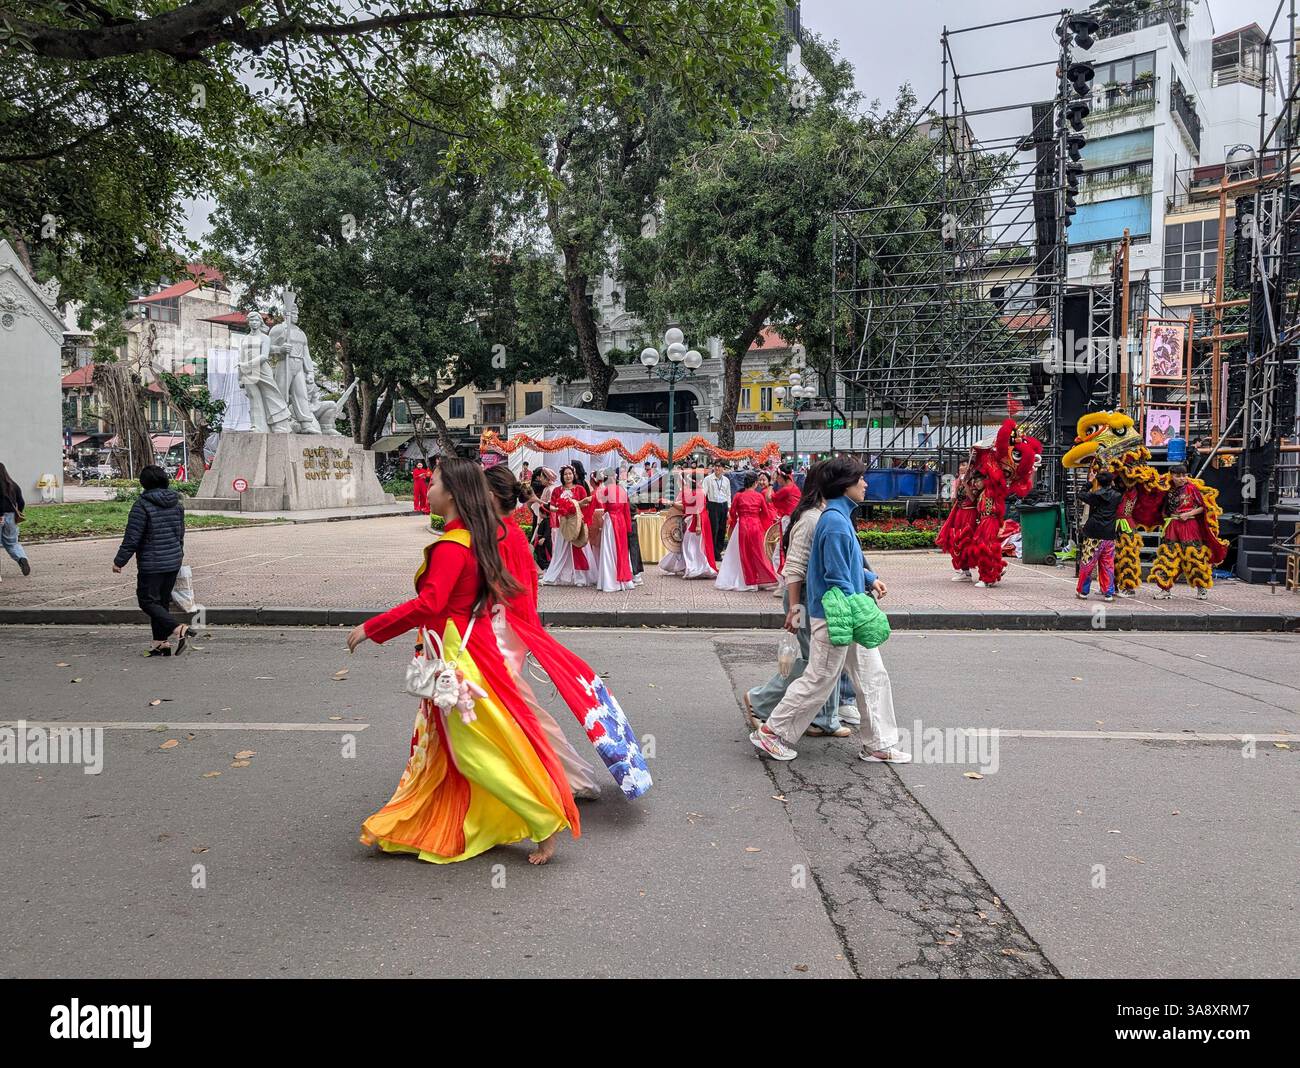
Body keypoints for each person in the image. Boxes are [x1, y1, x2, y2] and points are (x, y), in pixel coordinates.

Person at [347, 458, 581, 865]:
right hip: (463, 649)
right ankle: (429, 818)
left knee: (469, 751)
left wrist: (372, 628)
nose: (428, 488)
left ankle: (542, 821)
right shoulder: (474, 537)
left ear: (452, 493)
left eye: (434, 482)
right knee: (458, 744)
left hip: (454, 657)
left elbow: (430, 602)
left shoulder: (455, 545)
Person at [483, 466, 652, 799]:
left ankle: (567, 779)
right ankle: (559, 777)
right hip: (506, 628)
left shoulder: (503, 535)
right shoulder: (502, 532)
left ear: (490, 497)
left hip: (504, 631)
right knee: (513, 708)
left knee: (516, 709)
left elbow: (518, 589)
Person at [749, 456, 909, 764]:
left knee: (871, 675)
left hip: (841, 612)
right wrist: (859, 608)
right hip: (837, 615)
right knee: (820, 678)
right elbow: (834, 576)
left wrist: (870, 578)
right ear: (844, 485)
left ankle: (879, 743)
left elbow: (845, 566)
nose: (865, 483)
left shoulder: (836, 516)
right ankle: (772, 734)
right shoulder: (833, 521)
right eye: (860, 479)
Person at [745, 462, 863, 738]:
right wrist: (795, 610)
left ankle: (824, 717)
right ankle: (761, 699)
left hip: (816, 598)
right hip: (806, 598)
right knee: (818, 663)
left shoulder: (826, 515)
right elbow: (794, 569)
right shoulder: (811, 519)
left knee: (823, 662)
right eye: (857, 479)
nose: (864, 484)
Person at [111, 465, 189, 657]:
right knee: (160, 603)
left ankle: (178, 629)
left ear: (144, 483)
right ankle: (160, 644)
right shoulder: (176, 503)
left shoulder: (142, 504)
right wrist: (179, 553)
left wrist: (120, 561)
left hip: (152, 563)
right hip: (173, 560)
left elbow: (132, 537)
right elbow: (180, 533)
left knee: (147, 601)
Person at [1149, 464, 1224, 600]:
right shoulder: (1168, 488)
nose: (1182, 478)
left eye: (1184, 475)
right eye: (1178, 476)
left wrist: (1189, 513)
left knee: (1194, 556)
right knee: (1168, 557)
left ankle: (1202, 589)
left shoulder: (1191, 488)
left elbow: (1203, 507)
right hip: (1172, 525)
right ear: (1171, 475)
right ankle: (1165, 589)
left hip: (1189, 525)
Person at [716, 472, 779, 591]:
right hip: (755, 526)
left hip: (742, 526)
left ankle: (747, 580)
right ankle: (762, 578)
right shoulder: (759, 496)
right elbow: (765, 513)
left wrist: (735, 522)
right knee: (758, 553)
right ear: (755, 483)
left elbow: (733, 512)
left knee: (743, 554)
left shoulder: (738, 496)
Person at [660, 469, 717, 579]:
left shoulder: (698, 492)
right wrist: (672, 503)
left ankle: (695, 568)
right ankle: (692, 566)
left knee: (691, 544)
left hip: (697, 520)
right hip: (695, 519)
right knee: (693, 545)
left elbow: (698, 510)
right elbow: (686, 507)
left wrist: (698, 525)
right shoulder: (693, 491)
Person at [540, 465, 590, 586]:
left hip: (576, 523)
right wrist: (559, 509)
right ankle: (558, 575)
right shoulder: (557, 490)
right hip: (563, 523)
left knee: (577, 548)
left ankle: (580, 578)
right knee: (560, 549)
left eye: (570, 474)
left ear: (574, 475)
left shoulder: (580, 489)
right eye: (565, 474)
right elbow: (551, 506)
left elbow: (585, 504)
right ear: (562, 476)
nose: (568, 476)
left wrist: (573, 505)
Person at [1076, 470, 1121, 601]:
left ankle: (1083, 591)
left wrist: (1089, 482)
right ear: (1111, 482)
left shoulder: (1095, 495)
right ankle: (1108, 592)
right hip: (1109, 534)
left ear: (1098, 482)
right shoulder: (1117, 496)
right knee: (1108, 564)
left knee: (1088, 563)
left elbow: (1081, 494)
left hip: (1093, 534)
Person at [590, 469, 636, 592]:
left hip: (610, 522)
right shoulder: (622, 491)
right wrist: (628, 527)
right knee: (620, 551)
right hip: (620, 522)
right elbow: (627, 511)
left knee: (609, 550)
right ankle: (623, 581)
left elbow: (600, 506)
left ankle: (610, 581)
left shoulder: (605, 491)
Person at [937, 469, 984, 581]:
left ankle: (985, 567)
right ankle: (964, 571)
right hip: (959, 513)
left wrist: (965, 484)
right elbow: (954, 500)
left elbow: (973, 499)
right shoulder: (960, 480)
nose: (963, 467)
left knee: (968, 541)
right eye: (961, 465)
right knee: (956, 541)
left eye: (966, 465)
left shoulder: (975, 482)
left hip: (970, 514)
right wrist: (957, 485)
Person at [0, 461, 31, 577]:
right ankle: (22, 558)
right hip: (11, 517)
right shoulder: (12, 484)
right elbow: (21, 502)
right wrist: (18, 513)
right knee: (12, 543)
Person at [701, 462, 732, 559]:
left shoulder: (726, 480)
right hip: (713, 505)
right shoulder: (708, 479)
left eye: (719, 466)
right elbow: (703, 493)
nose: (717, 468)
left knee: (722, 530)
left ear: (723, 468)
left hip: (724, 505)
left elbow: (728, 494)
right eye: (716, 466)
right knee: (714, 529)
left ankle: (718, 552)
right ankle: (712, 552)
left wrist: (728, 508)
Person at [529, 467, 555, 570]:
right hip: (542, 519)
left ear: (547, 478)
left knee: (544, 545)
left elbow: (550, 506)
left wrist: (536, 500)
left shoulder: (551, 489)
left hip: (547, 521)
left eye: (542, 478)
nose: (540, 479)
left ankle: (545, 567)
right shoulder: (546, 489)